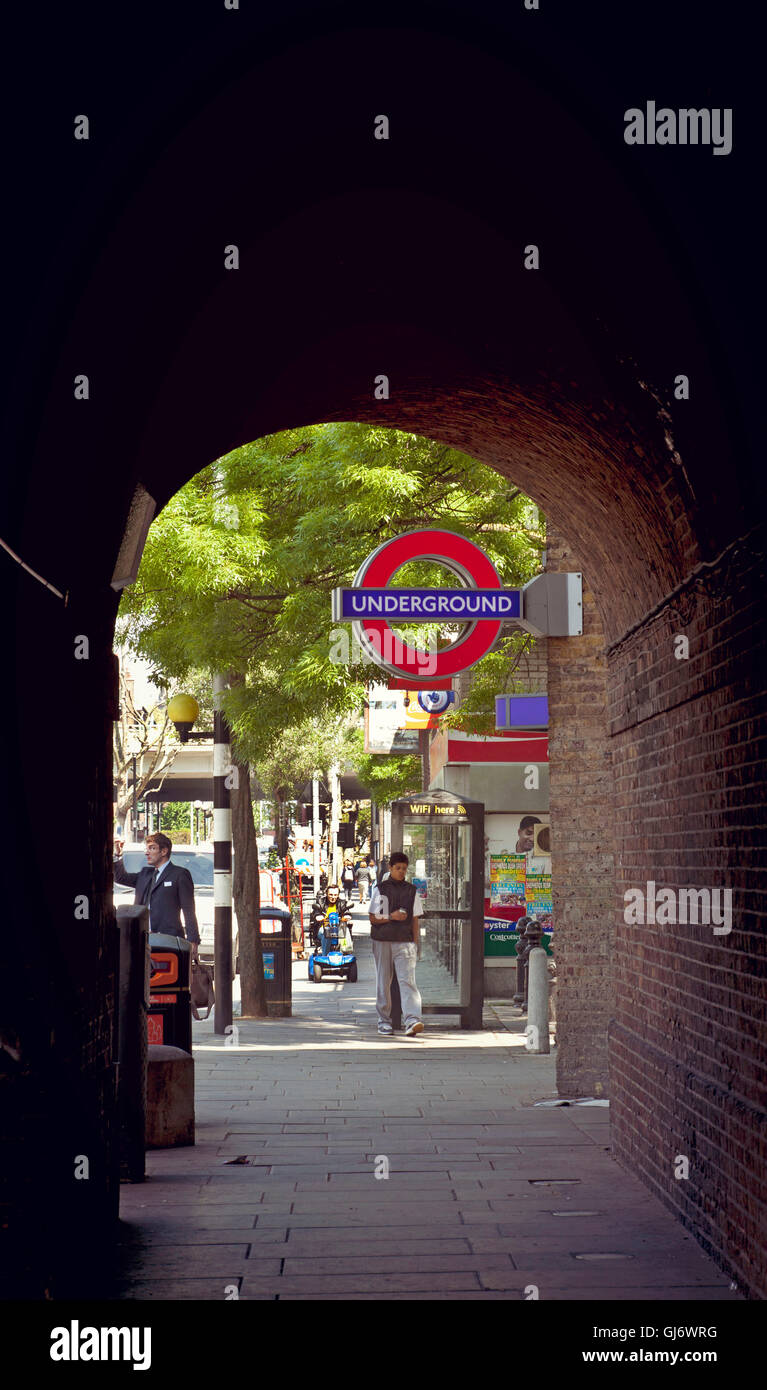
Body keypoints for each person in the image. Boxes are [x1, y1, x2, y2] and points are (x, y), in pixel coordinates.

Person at [113, 832, 200, 956]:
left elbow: (189, 910)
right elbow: (121, 878)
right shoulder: (145, 874)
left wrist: (193, 940)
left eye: (152, 848)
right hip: (140, 938)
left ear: (164, 851)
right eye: (147, 848)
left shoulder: (180, 875)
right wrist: (118, 855)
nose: (147, 852)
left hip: (168, 940)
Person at [369, 851, 424, 1037]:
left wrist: (416, 944)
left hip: (404, 940)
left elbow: (415, 920)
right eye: (398, 868)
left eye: (404, 869)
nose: (401, 872)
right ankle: (384, 1020)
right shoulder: (380, 889)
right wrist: (391, 917)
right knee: (384, 981)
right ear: (390, 868)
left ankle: (412, 1019)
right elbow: (373, 918)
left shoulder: (411, 891)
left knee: (407, 980)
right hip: (383, 939)